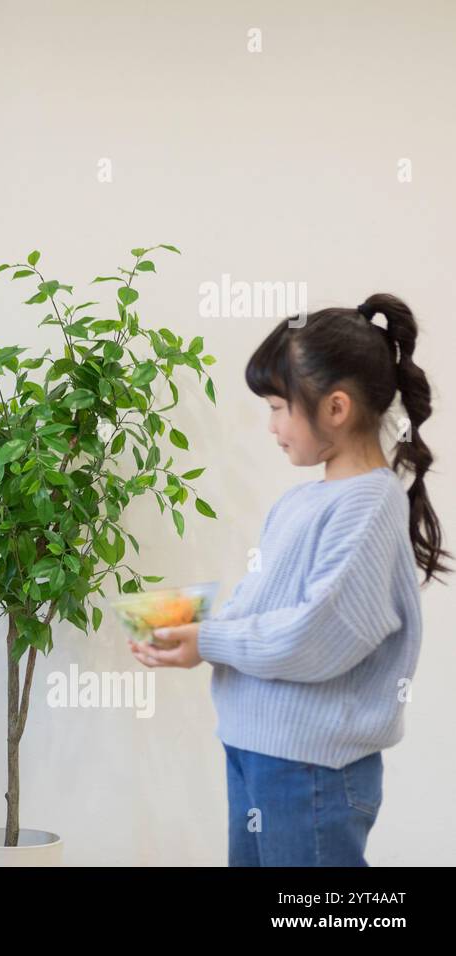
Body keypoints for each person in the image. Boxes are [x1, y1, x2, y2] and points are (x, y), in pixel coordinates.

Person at [130, 293, 448, 866]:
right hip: (262, 752)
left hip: (309, 769)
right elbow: (269, 604)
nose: (271, 425)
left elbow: (314, 635)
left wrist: (210, 640)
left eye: (279, 406)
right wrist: (197, 628)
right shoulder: (308, 500)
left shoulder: (368, 505)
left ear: (336, 408)